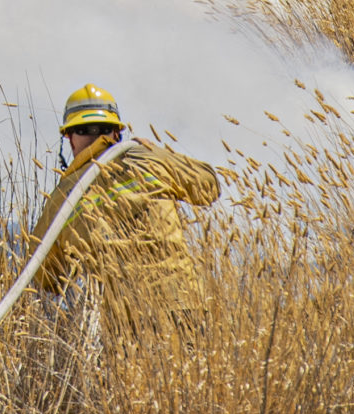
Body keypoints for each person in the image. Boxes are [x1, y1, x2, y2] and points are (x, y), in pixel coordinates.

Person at [28, 84, 220, 340]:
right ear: (117, 131)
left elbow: (43, 275)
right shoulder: (148, 158)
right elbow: (209, 187)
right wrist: (159, 154)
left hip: (125, 321)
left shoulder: (63, 197)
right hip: (185, 305)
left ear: (69, 138)